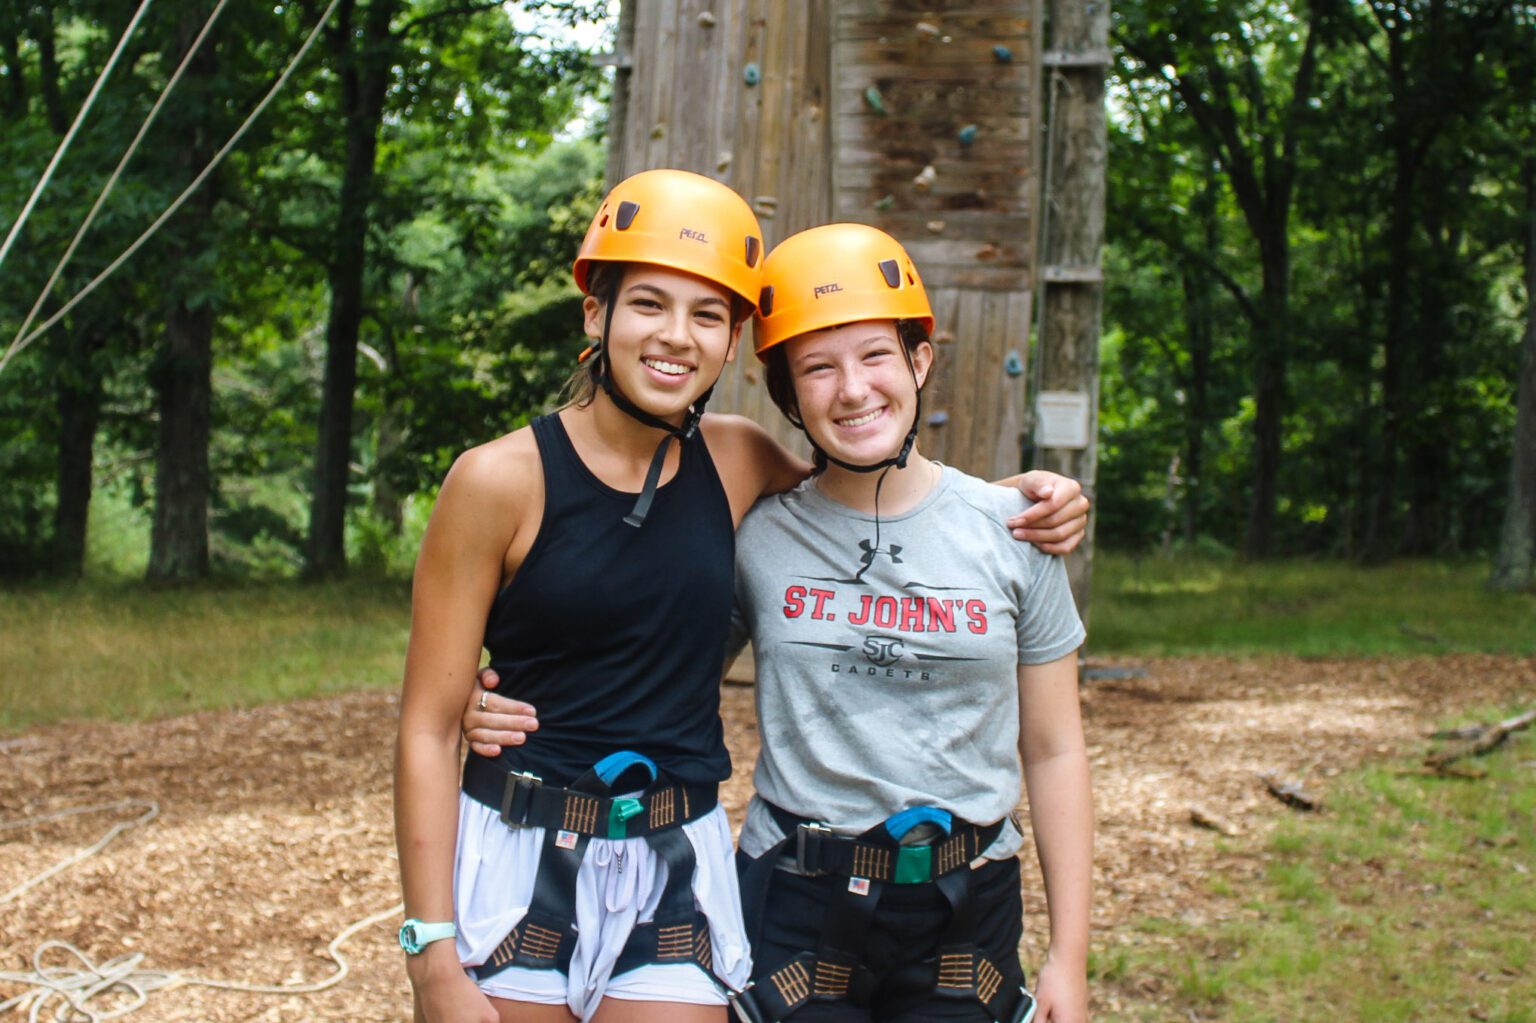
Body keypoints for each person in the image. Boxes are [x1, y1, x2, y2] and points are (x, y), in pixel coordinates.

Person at [396, 172, 1089, 1023]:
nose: (675, 336)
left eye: (709, 315)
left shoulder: (740, 461)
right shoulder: (500, 479)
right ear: (594, 313)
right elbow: (432, 718)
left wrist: (1015, 502)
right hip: (530, 841)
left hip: (681, 854)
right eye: (648, 303)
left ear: (731, 343)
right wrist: (431, 951)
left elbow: (869, 489)